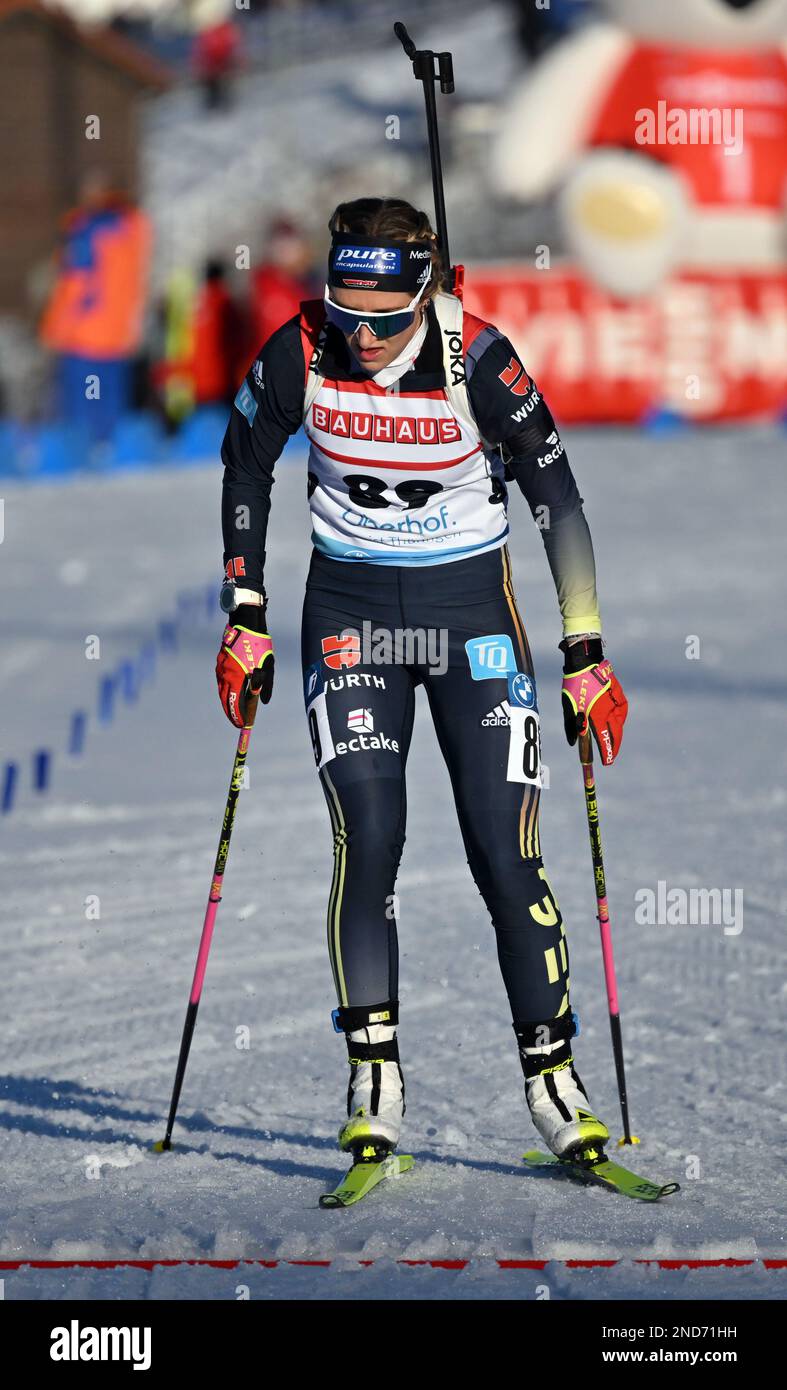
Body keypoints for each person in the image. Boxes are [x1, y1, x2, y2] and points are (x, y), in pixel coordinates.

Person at [215, 196, 628, 1165]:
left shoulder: (478, 357)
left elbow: (556, 500)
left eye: (385, 316)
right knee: (370, 839)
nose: (360, 333)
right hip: (349, 618)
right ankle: (373, 1072)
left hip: (469, 622)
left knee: (504, 849)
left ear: (426, 292)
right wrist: (243, 610)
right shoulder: (299, 348)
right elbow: (244, 466)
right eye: (344, 305)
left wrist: (584, 648)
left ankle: (553, 1081)